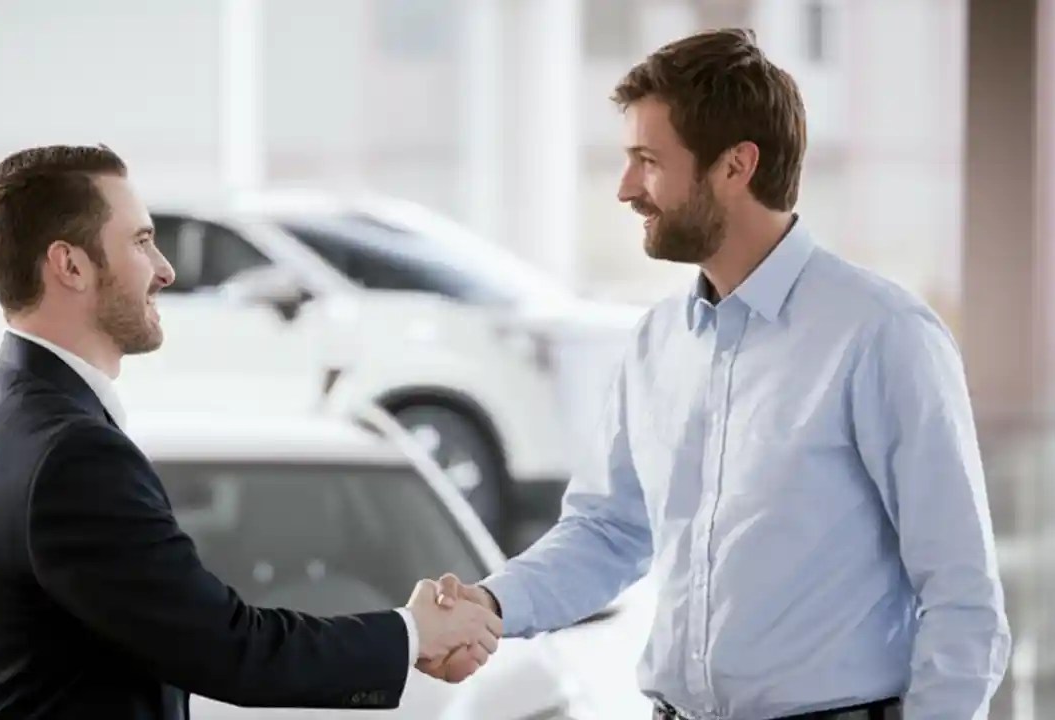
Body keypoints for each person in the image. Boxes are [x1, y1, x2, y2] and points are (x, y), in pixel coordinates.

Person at [429, 28, 1011, 719]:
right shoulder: (657, 343)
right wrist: (491, 605)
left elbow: (963, 600)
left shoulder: (882, 337)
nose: (625, 189)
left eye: (648, 160)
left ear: (736, 166)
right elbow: (608, 533)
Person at [0, 145, 501, 720]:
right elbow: (229, 649)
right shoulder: (71, 453)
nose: (165, 270)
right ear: (70, 265)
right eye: (142, 242)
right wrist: (411, 633)